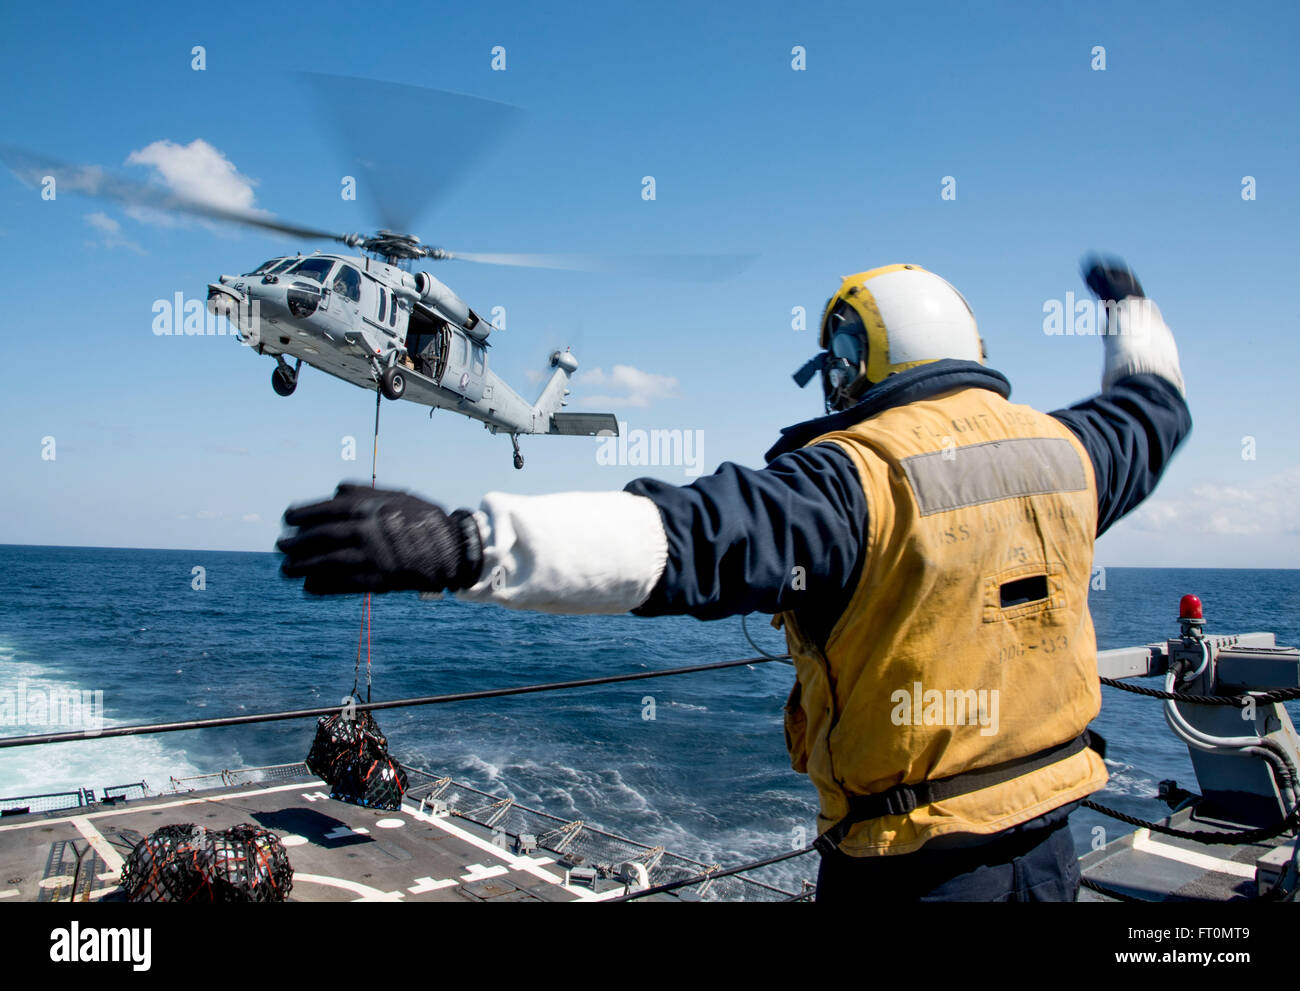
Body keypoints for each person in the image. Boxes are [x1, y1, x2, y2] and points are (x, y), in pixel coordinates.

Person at [277, 256, 1191, 902]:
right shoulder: (1071, 456)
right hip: (1051, 854)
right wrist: (1133, 311)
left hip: (911, 867)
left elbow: (684, 539)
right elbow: (1155, 405)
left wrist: (465, 542)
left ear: (856, 360)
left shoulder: (856, 477)